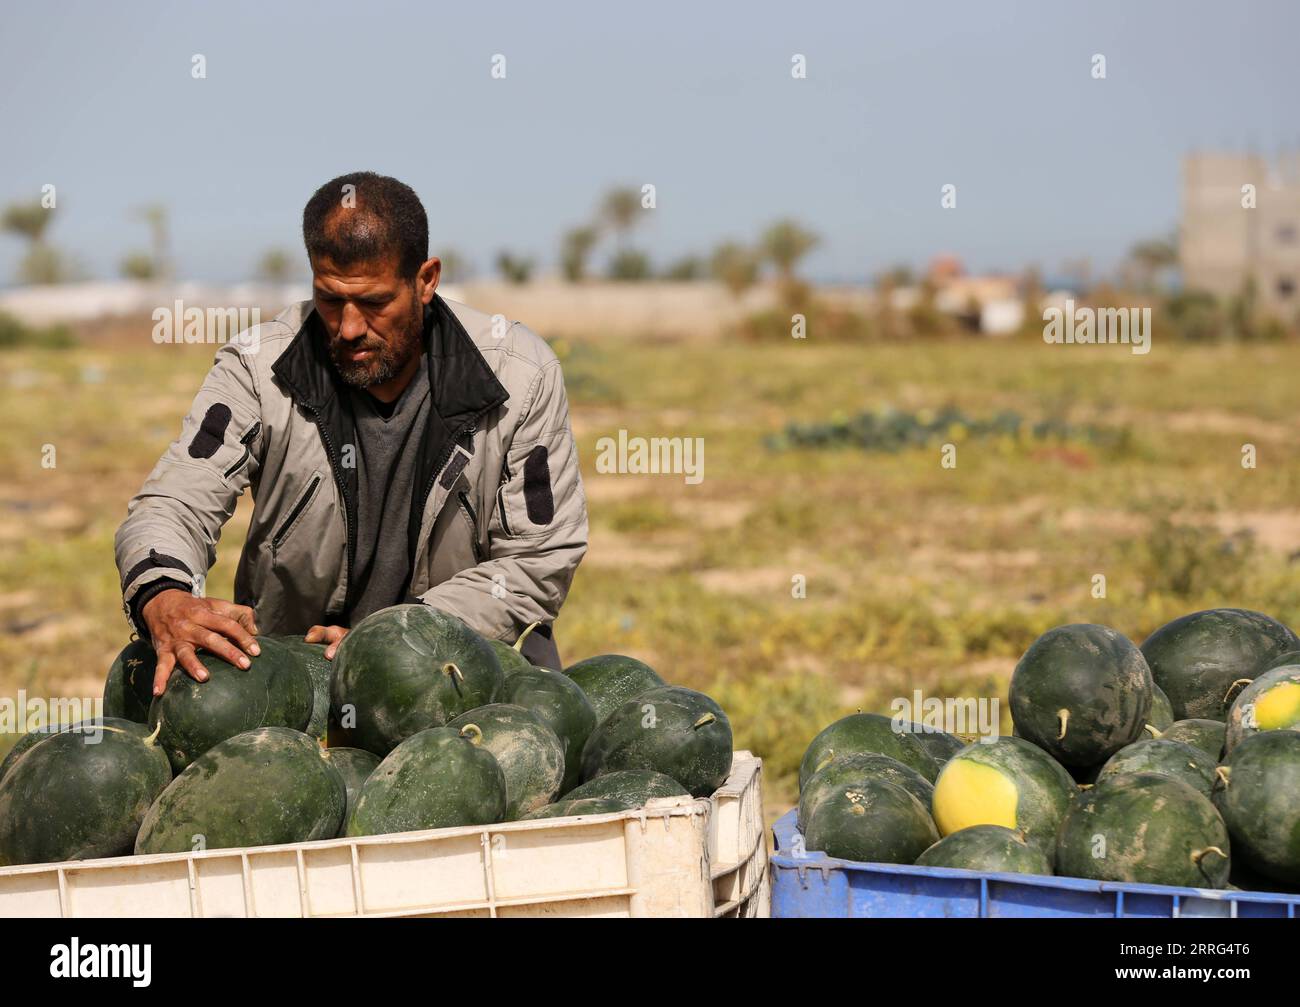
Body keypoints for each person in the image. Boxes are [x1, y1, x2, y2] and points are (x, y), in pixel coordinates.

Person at [115, 171, 588, 695]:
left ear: (426, 280)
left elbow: (540, 557)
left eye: (374, 302)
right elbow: (175, 499)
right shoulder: (260, 368)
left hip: (466, 667)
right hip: (302, 677)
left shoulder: (519, 375)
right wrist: (163, 592)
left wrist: (394, 640)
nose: (349, 328)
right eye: (330, 299)